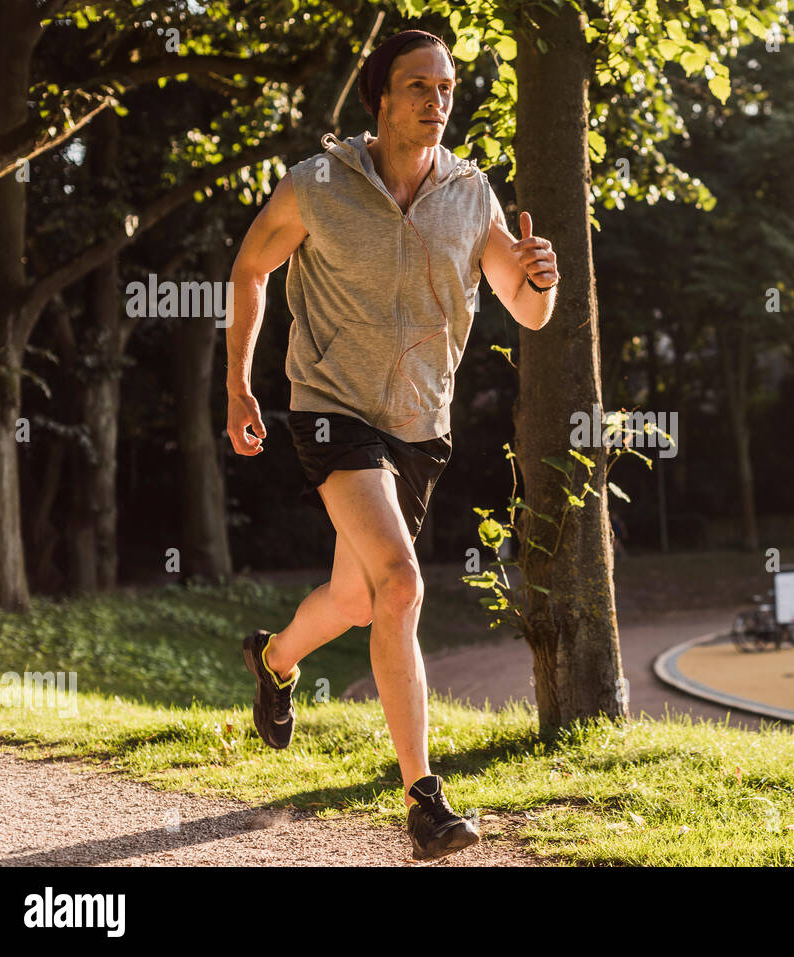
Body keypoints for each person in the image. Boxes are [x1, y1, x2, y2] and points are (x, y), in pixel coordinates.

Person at [225, 29, 560, 861]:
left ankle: (272, 657)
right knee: (402, 584)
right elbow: (250, 269)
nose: (437, 102)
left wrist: (541, 279)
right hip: (333, 407)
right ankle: (424, 798)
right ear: (381, 97)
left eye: (447, 88)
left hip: (420, 428)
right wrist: (238, 383)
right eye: (419, 86)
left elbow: (526, 310)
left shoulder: (471, 196)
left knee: (356, 598)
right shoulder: (321, 183)